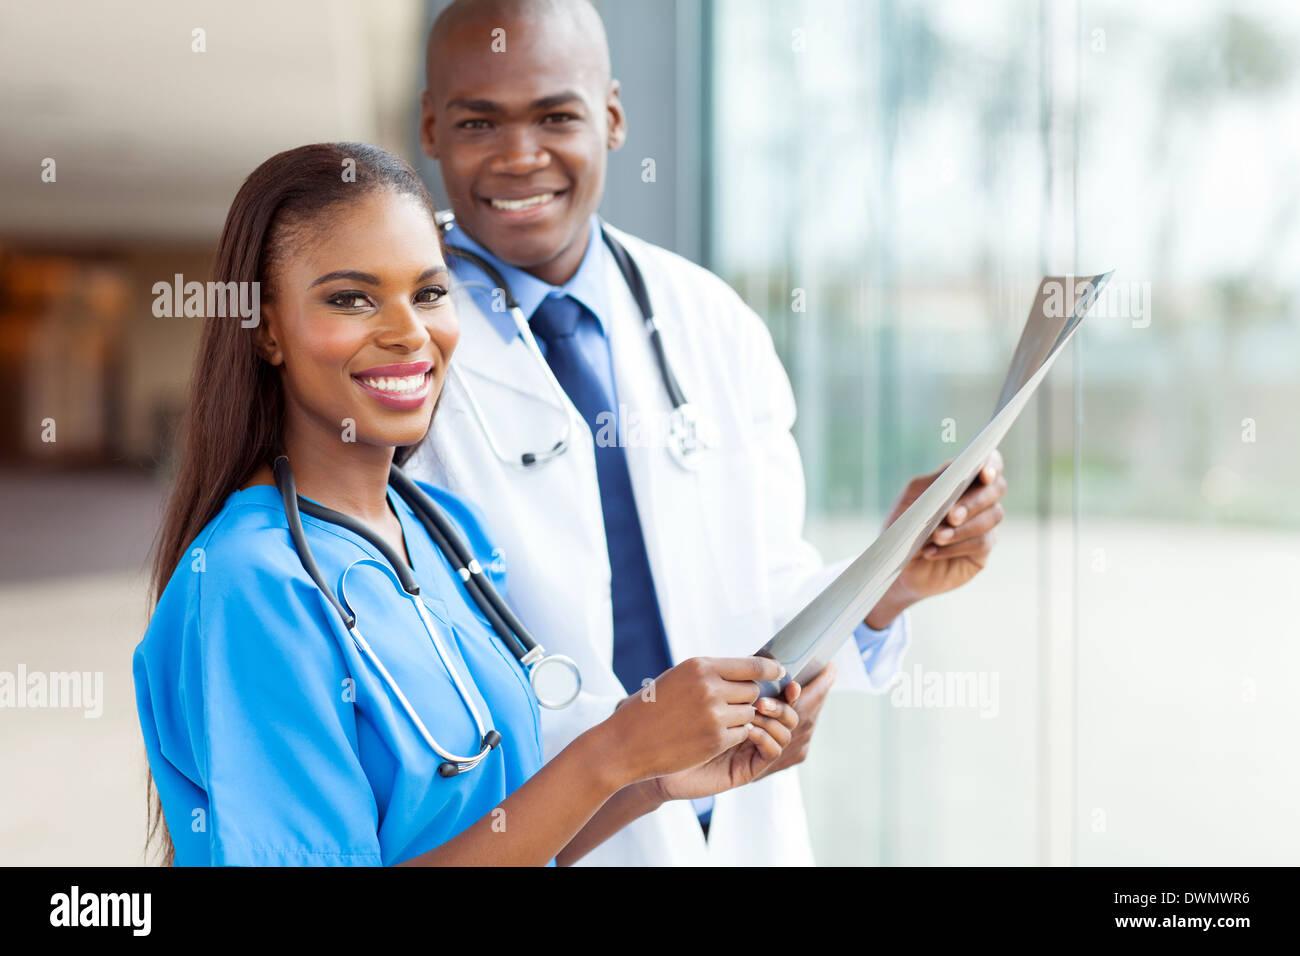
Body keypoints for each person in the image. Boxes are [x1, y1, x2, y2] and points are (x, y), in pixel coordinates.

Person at [409, 0, 1009, 865]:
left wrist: (891, 579)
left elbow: (766, 591)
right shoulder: (401, 351)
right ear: (431, 126)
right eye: (478, 121)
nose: (519, 156)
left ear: (612, 116)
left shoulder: (712, 323)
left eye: (556, 116)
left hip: (739, 830)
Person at [132, 142, 802, 867]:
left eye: (427, 292)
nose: (407, 333)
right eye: (350, 298)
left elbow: (508, 838)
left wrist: (652, 780)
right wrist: (613, 750)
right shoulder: (250, 585)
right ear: (266, 328)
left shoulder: (447, 533)